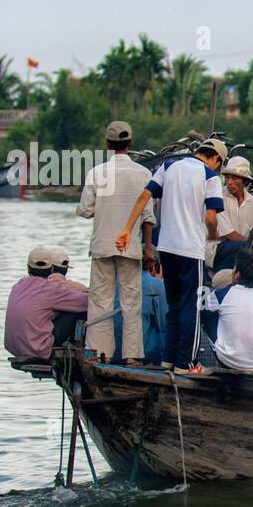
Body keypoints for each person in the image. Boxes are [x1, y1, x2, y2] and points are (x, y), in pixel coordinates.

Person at [115, 138, 228, 374]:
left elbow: (144, 197)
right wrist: (214, 234)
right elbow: (210, 217)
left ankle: (168, 359)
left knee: (174, 306)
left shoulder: (168, 166)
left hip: (166, 247)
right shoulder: (211, 177)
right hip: (190, 250)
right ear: (216, 158)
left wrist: (126, 229)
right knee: (192, 307)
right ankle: (185, 363)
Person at [77, 120, 155, 366]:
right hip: (131, 247)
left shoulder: (97, 173)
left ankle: (102, 354)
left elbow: (86, 210)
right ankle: (132, 356)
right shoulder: (144, 174)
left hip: (102, 246)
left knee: (100, 300)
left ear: (108, 144)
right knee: (131, 302)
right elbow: (148, 217)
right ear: (130, 144)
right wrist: (149, 249)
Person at [4, 247, 90, 361]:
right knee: (81, 311)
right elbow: (87, 302)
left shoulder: (17, 286)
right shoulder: (50, 289)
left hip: (14, 348)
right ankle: (83, 350)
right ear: (52, 269)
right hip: (39, 349)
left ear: (28, 268)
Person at [206, 249, 253, 372]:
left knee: (207, 316)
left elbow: (206, 314)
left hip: (228, 360)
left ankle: (220, 347)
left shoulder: (221, 294)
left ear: (237, 274)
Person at [206, 155, 253, 275]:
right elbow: (227, 233)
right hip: (218, 247)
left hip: (241, 246)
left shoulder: (250, 200)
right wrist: (250, 244)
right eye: (228, 178)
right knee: (247, 248)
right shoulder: (220, 196)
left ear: (245, 181)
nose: (230, 182)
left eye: (235, 178)